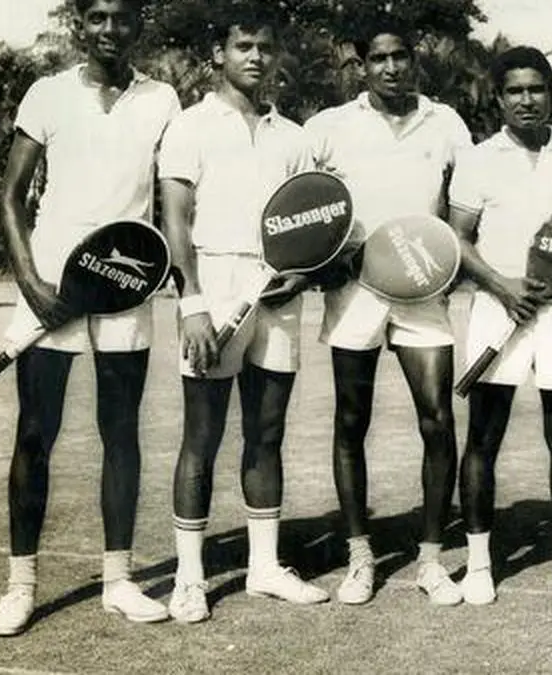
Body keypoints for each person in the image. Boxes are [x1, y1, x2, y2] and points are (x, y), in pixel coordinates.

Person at [0, 0, 180, 636]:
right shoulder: (46, 93)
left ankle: (119, 582)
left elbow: (175, 196)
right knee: (35, 434)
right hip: (51, 282)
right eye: (97, 17)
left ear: (138, 27)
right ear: (81, 25)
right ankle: (20, 587)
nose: (109, 31)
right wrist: (33, 285)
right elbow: (10, 195)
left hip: (125, 282)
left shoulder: (163, 99)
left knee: (120, 434)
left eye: (122, 19)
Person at [158, 7, 330, 624]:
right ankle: (188, 577)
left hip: (277, 290)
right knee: (200, 437)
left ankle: (262, 568)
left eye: (265, 47)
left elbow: (316, 220)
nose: (255, 56)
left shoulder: (295, 135)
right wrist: (194, 303)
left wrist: (304, 271)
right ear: (219, 55)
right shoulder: (190, 125)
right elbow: (174, 221)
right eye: (243, 46)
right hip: (217, 281)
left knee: (267, 432)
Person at [304, 23, 472, 606]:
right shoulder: (328, 127)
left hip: (423, 291)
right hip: (356, 294)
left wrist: (451, 263)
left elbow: (462, 208)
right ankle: (359, 557)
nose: (392, 67)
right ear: (362, 65)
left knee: (438, 421)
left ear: (416, 62)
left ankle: (429, 561)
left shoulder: (447, 123)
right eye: (379, 58)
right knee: (352, 421)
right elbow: (300, 203)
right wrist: (325, 263)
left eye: (402, 56)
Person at [449, 46, 552, 605]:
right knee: (483, 439)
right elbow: (457, 240)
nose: (526, 100)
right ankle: (476, 565)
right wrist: (501, 286)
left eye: (536, 89)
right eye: (514, 90)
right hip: (499, 309)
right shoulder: (477, 157)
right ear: (498, 98)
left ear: (550, 93)